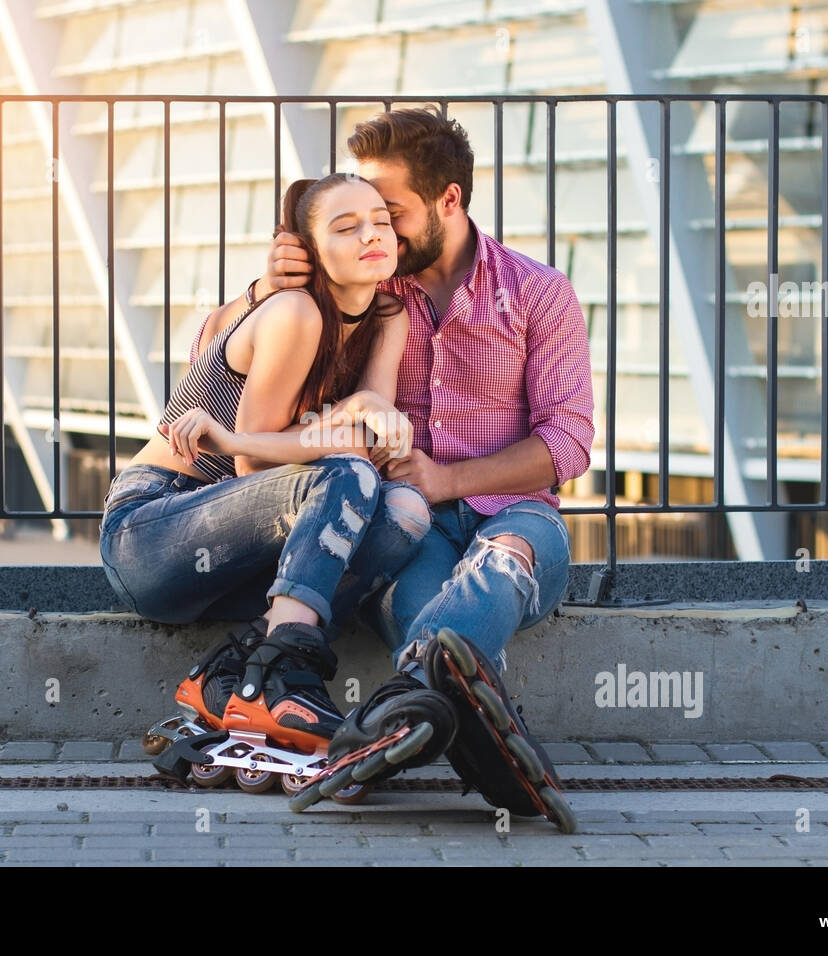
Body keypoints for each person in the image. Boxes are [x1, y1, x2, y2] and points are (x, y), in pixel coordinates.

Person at [203, 108, 594, 830]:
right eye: (366, 217)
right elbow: (225, 355)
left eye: (393, 213)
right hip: (409, 525)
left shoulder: (539, 294)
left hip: (515, 515)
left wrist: (449, 480)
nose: (378, 231)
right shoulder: (373, 292)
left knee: (502, 564)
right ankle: (476, 745)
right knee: (436, 634)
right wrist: (263, 291)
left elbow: (568, 441)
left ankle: (385, 717)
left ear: (450, 201)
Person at [100, 173, 454, 784]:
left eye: (380, 219)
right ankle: (283, 671)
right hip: (153, 536)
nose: (372, 235)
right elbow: (253, 467)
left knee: (406, 510)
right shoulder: (294, 312)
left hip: (242, 559)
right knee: (347, 474)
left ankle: (232, 673)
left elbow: (369, 438)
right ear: (310, 252)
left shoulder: (387, 312)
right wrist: (322, 427)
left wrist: (360, 423)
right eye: (346, 228)